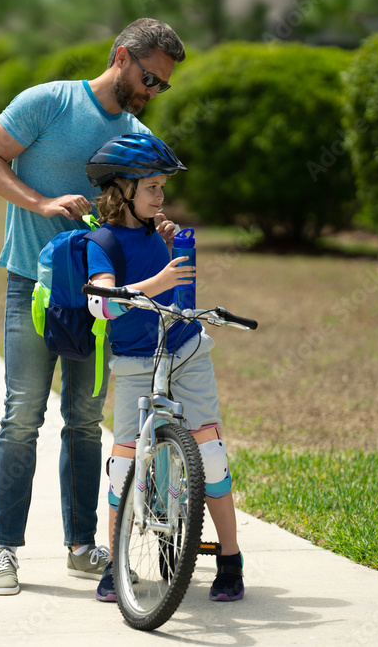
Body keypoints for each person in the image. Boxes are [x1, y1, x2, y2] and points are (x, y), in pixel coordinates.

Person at [0, 19, 186, 596]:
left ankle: (83, 547)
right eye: (148, 78)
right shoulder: (49, 101)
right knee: (22, 416)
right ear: (121, 56)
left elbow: (131, 210)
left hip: (96, 299)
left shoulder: (134, 133)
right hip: (34, 288)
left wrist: (155, 222)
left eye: (161, 86)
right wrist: (41, 202)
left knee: (85, 424)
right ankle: (3, 550)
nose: (152, 92)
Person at [82, 133, 245, 603]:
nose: (161, 196)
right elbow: (102, 303)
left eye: (162, 187)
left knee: (210, 455)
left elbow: (181, 292)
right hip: (135, 362)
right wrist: (160, 279)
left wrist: (172, 255)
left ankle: (230, 559)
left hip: (187, 351)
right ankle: (118, 561)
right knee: (123, 466)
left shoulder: (161, 232)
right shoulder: (104, 241)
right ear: (123, 191)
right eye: (152, 187)